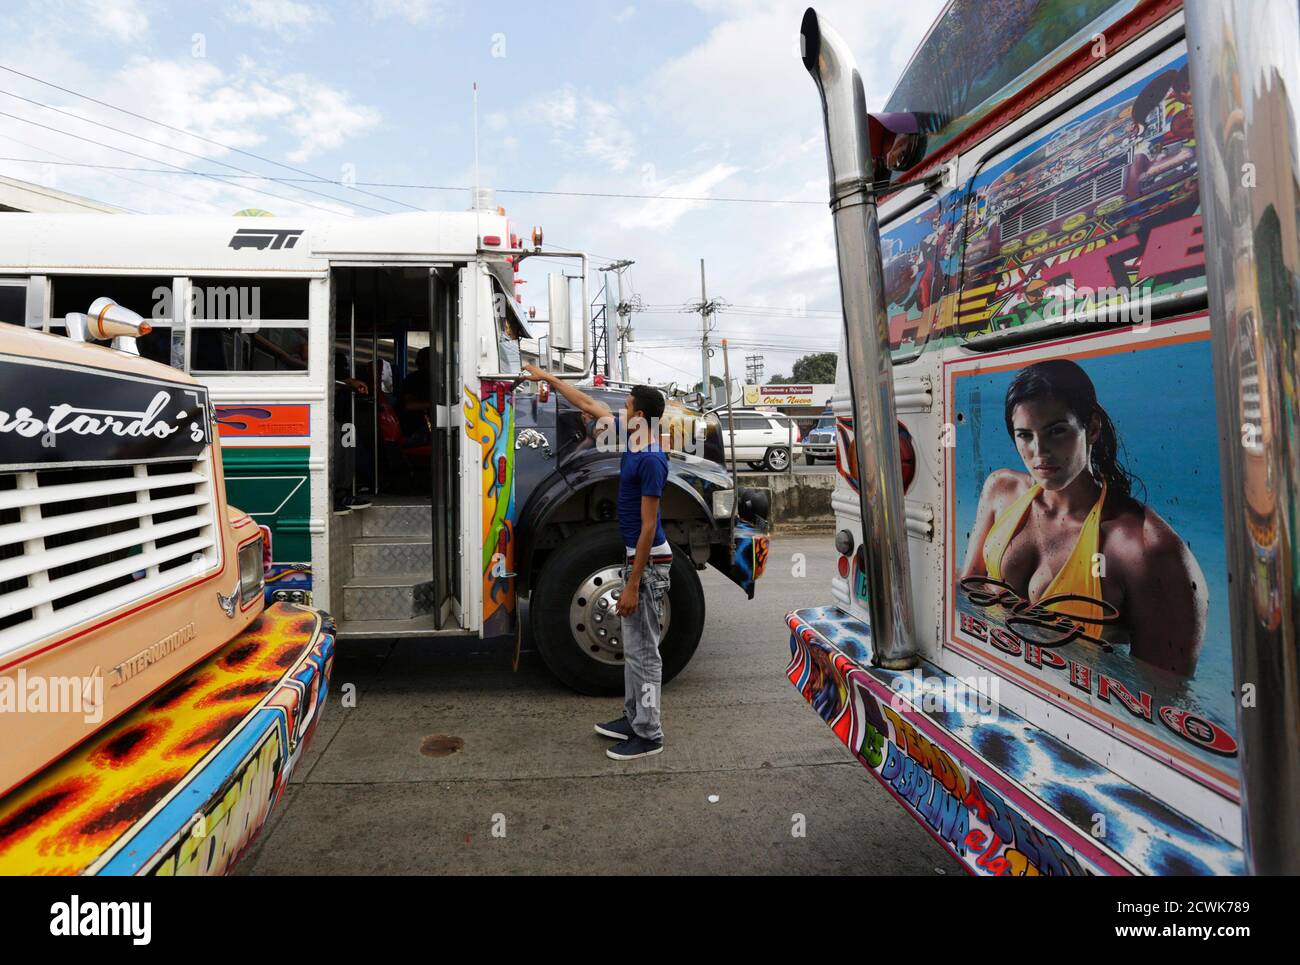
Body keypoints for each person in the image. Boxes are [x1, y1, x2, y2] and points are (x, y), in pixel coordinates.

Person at [959, 359, 1207, 677]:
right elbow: (968, 592)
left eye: (1056, 431)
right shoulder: (1001, 491)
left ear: (1091, 427)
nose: (1039, 452)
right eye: (1025, 435)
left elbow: (1162, 702)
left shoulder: (1144, 549)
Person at [522, 363, 671, 760]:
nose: (618, 411)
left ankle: (650, 734)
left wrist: (634, 585)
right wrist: (547, 378)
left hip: (650, 563)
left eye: (625, 406)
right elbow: (588, 403)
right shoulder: (634, 439)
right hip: (635, 559)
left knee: (643, 652)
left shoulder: (652, 458)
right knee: (634, 648)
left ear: (639, 415)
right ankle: (632, 717)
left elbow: (648, 527)